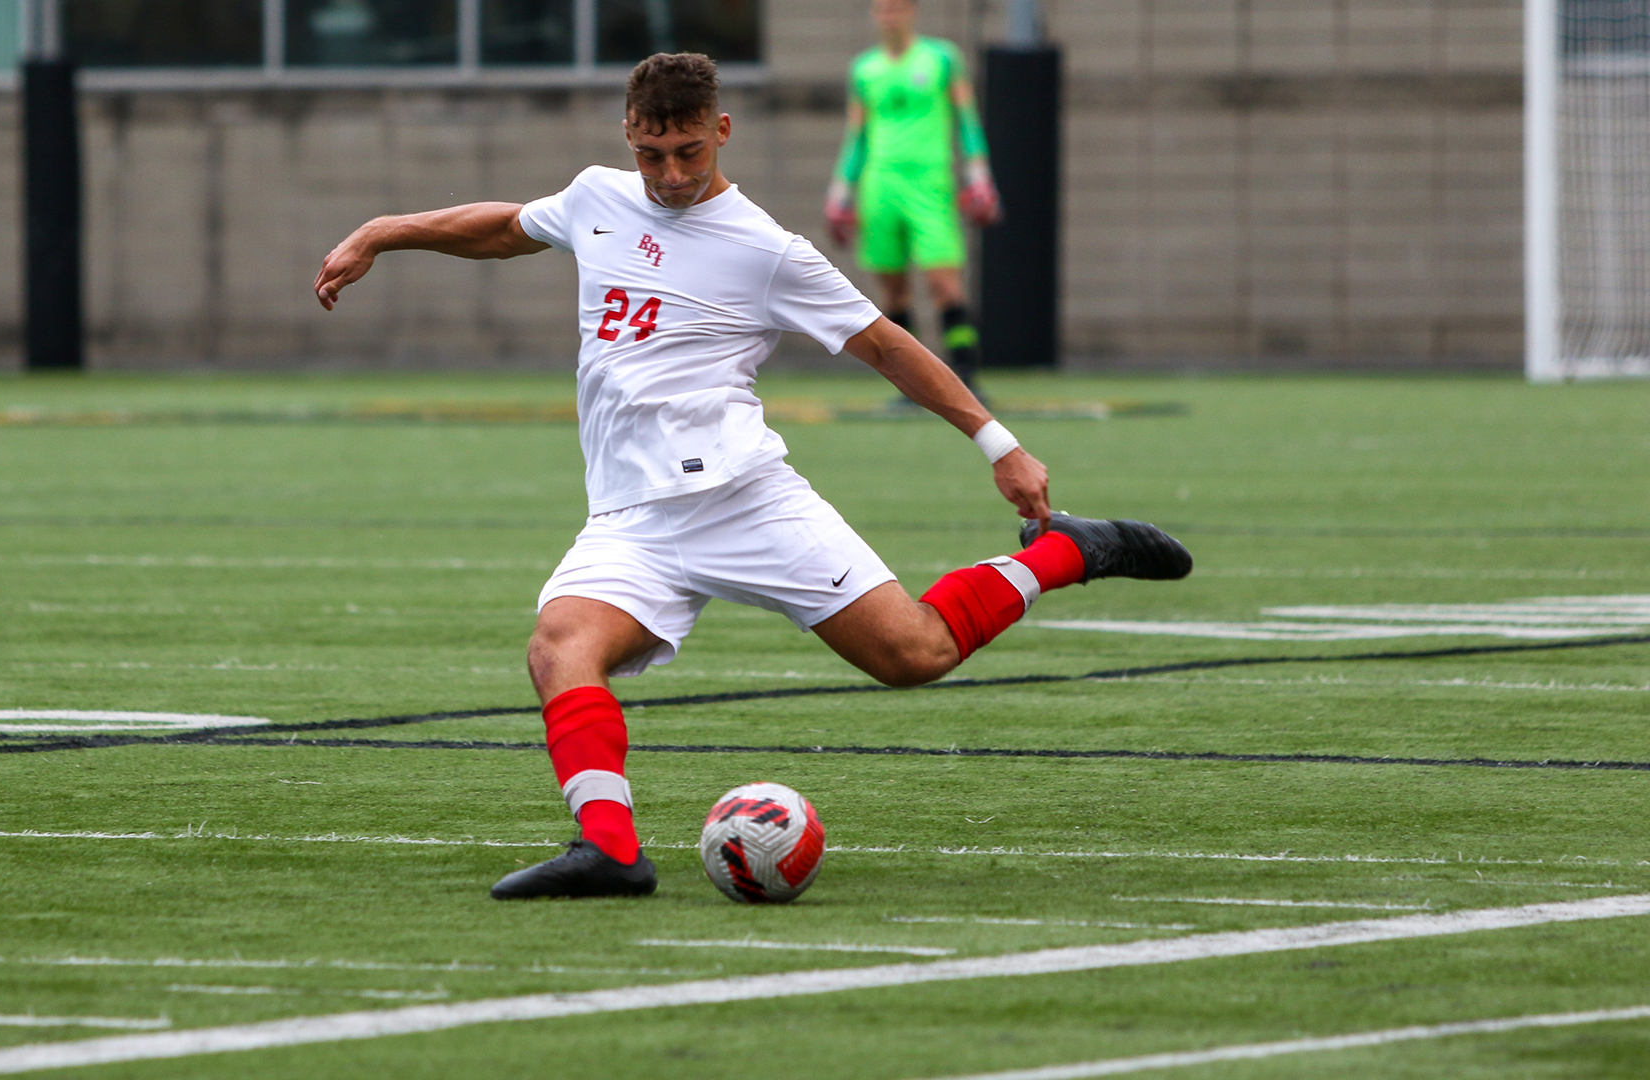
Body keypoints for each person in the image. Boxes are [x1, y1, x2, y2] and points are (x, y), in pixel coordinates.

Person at [314, 53, 1189, 901]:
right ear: (628, 135)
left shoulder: (765, 248)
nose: (669, 173)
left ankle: (1065, 553)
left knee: (913, 654)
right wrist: (385, 233)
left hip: (742, 499)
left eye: (689, 151)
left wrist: (999, 443)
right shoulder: (596, 198)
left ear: (721, 130)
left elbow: (884, 343)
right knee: (559, 648)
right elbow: (506, 230)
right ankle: (610, 851)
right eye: (651, 154)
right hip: (629, 518)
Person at [826, 0, 1000, 398]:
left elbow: (966, 120)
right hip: (881, 186)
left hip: (930, 183)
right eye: (883, 8)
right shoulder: (865, 69)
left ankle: (965, 377)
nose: (890, 15)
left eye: (897, 7)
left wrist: (979, 176)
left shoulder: (941, 58)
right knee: (893, 289)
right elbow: (857, 137)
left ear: (912, 11)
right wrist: (840, 193)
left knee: (944, 282)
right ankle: (912, 386)